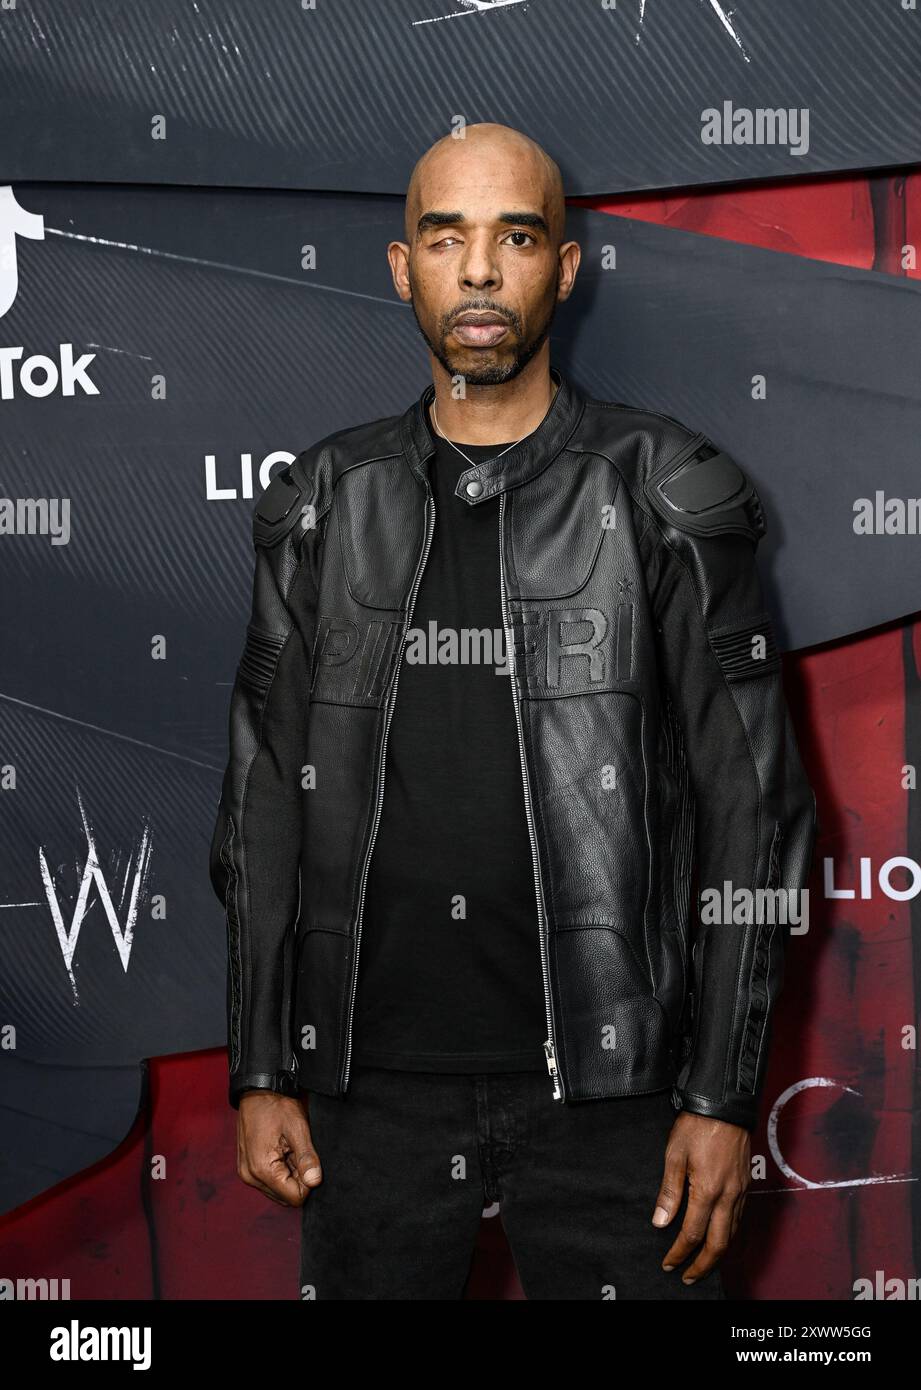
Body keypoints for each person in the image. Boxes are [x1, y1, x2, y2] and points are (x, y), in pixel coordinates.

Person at [209, 123, 817, 1300]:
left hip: (617, 1092)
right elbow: (260, 803)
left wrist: (720, 1093)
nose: (479, 271)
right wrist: (260, 1063)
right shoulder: (322, 505)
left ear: (565, 268)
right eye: (447, 238)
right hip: (364, 1092)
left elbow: (758, 814)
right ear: (403, 268)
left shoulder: (665, 491)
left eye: (516, 237)